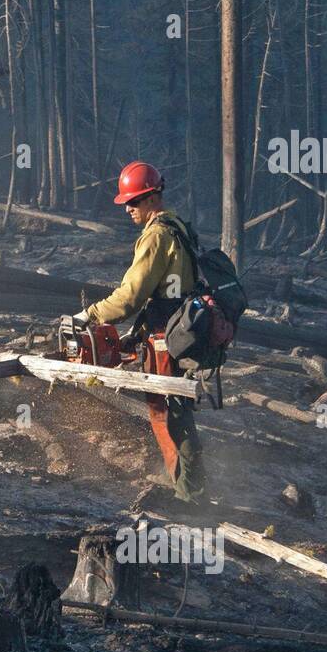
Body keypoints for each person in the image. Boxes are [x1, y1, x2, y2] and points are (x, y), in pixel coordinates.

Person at [75, 161, 207, 505]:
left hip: (169, 337)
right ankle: (189, 488)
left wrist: (89, 315)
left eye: (133, 201)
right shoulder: (176, 225)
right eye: (127, 202)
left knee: (169, 412)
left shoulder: (156, 235)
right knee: (175, 409)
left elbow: (130, 296)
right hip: (180, 330)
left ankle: (190, 497)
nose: (129, 209)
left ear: (152, 197)